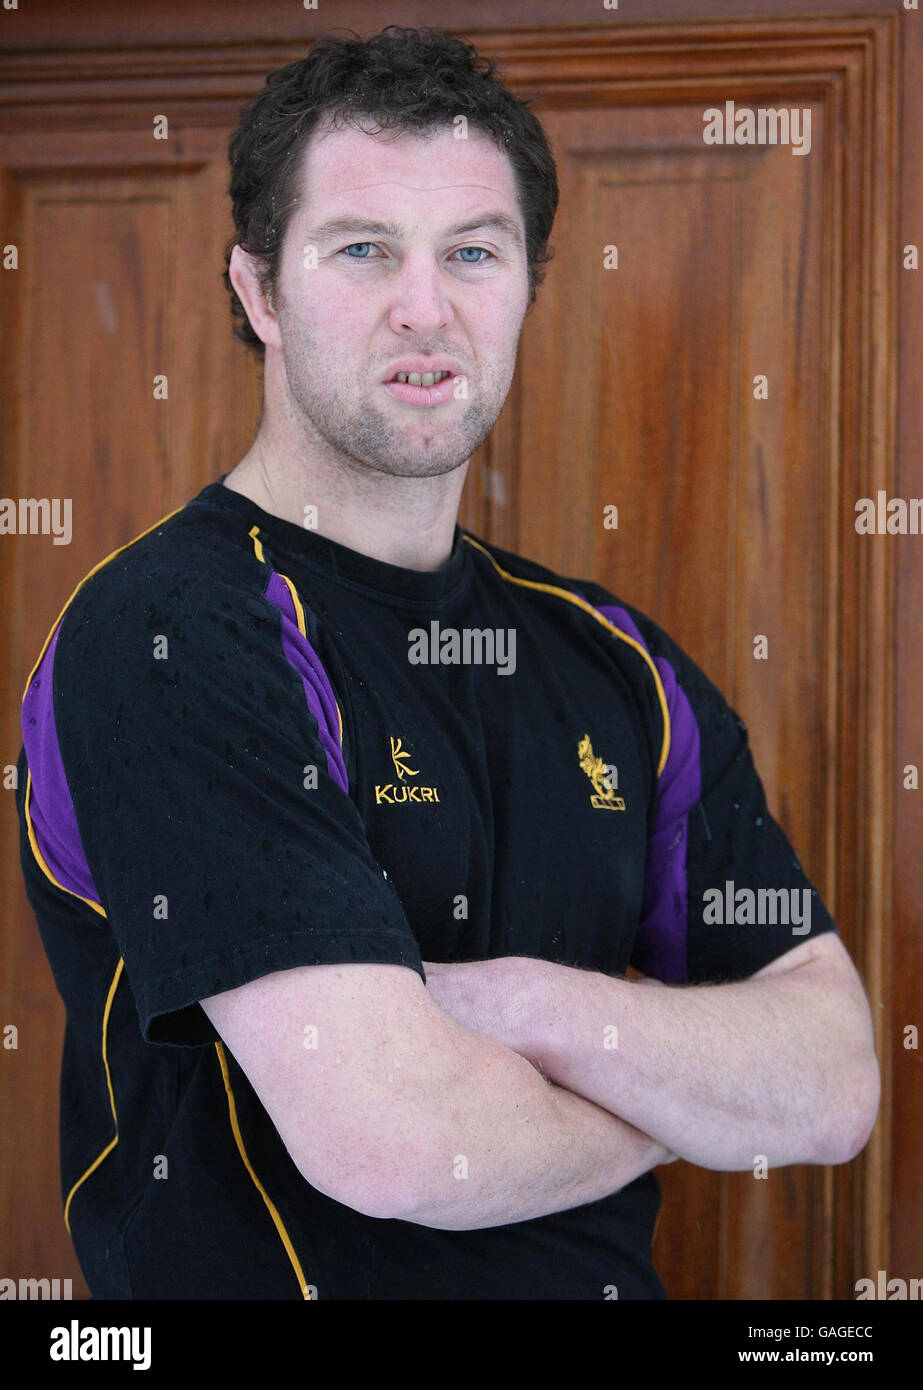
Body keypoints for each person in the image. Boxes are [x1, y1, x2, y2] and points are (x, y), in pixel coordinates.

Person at [17, 26, 879, 1301]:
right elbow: (396, 1143)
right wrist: (691, 1100)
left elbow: (833, 1075)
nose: (424, 305)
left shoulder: (612, 662)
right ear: (258, 290)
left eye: (471, 251)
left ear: (526, 283)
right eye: (362, 249)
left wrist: (528, 1008)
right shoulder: (172, 629)